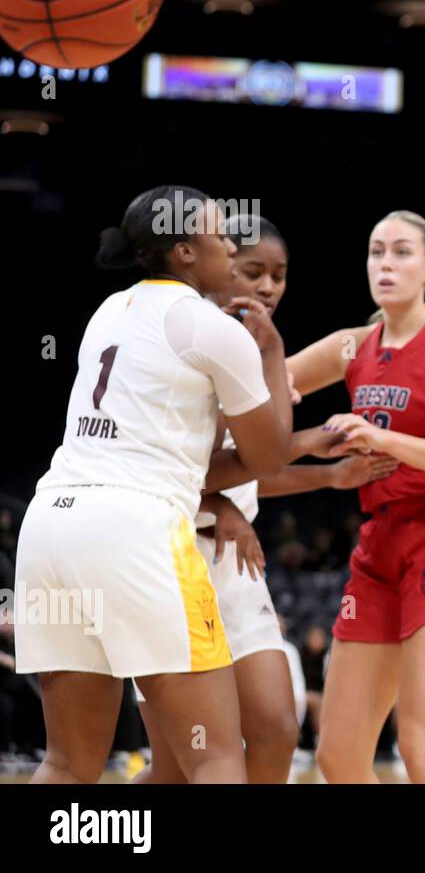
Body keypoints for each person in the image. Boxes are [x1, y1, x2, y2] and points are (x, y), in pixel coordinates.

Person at [13, 186, 305, 783]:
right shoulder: (212, 326)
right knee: (217, 758)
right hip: (136, 532)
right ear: (184, 251)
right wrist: (271, 353)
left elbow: (176, 452)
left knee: (67, 762)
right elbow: (268, 456)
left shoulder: (108, 311)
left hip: (51, 523)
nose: (229, 242)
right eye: (219, 234)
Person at [133, 214, 396, 784]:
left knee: (278, 727)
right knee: (176, 767)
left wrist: (327, 479)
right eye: (254, 271)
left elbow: (253, 474)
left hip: (233, 566)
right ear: (219, 265)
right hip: (169, 555)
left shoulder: (262, 355)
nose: (269, 287)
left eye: (279, 274)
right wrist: (222, 504)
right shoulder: (187, 341)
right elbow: (166, 466)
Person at [285, 210, 425, 783]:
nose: (386, 263)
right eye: (376, 251)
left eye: (402, 252)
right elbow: (263, 389)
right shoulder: (351, 345)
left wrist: (384, 439)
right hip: (379, 543)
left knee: (424, 747)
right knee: (338, 754)